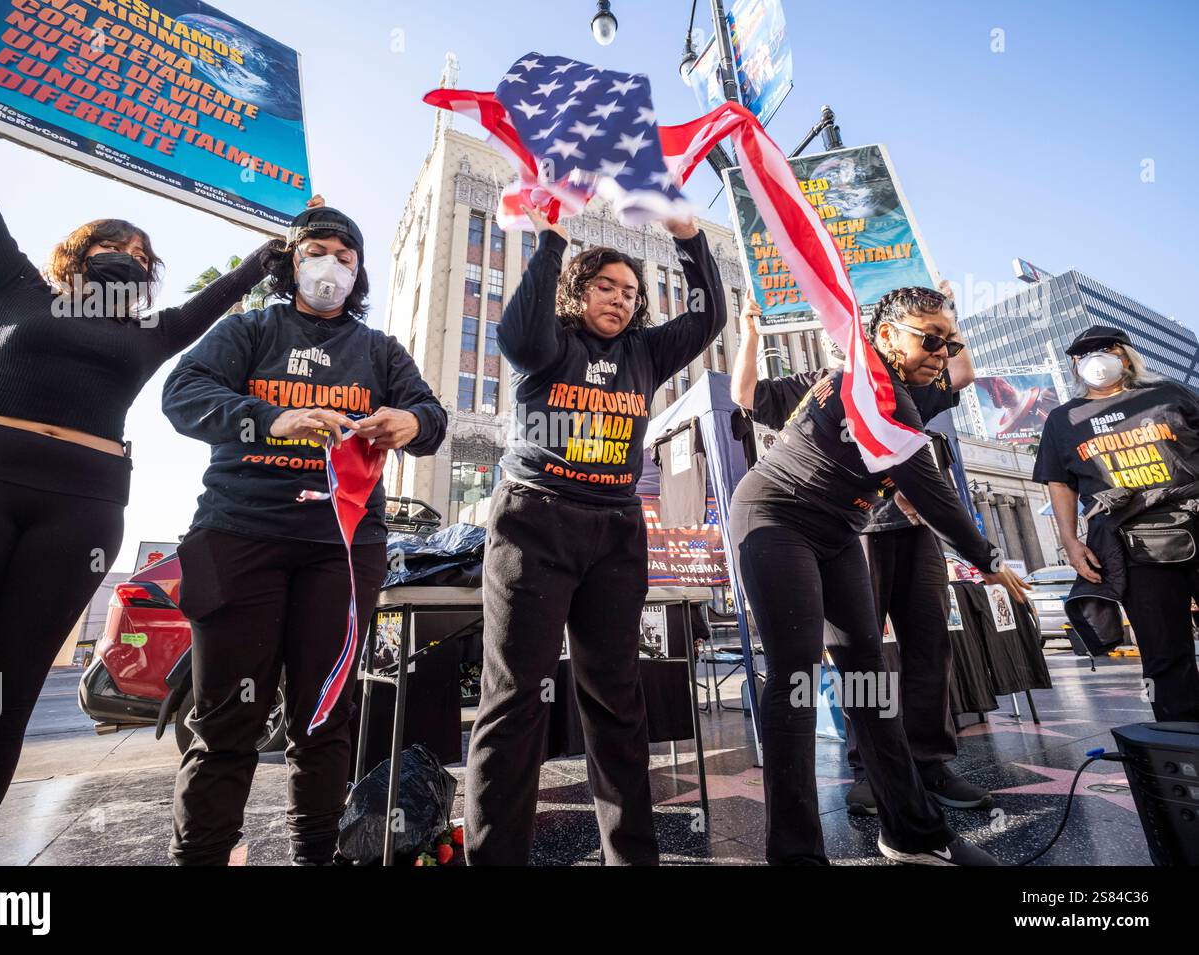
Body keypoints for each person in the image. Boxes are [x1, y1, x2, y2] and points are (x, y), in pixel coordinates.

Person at [0, 13, 280, 866]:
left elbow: (240, 281)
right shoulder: (17, 291)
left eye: (139, 250)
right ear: (76, 258)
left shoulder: (153, 333)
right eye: (108, 241)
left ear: (149, 277)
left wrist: (287, 233)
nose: (125, 252)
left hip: (81, 511)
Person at [162, 204, 447, 865]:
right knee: (227, 721)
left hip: (341, 552)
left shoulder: (379, 350)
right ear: (291, 263)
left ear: (360, 271)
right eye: (316, 250)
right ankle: (201, 853)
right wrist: (272, 417)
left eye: (346, 256)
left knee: (324, 717)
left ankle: (314, 853)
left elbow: (431, 416)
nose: (331, 265)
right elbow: (182, 393)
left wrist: (409, 422)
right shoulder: (251, 331)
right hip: (239, 536)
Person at [728, 288, 1030, 865]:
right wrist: (989, 560)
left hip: (840, 531)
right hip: (775, 518)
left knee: (867, 676)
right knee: (795, 676)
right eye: (931, 337)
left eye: (951, 340)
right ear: (887, 335)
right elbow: (932, 494)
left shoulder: (899, 390)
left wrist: (983, 557)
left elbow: (932, 475)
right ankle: (795, 854)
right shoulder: (870, 389)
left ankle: (912, 832)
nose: (943, 351)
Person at [464, 205, 726, 865]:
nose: (619, 298)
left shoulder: (645, 350)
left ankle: (631, 856)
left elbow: (708, 318)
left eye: (631, 292)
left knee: (617, 700)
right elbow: (515, 336)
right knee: (514, 697)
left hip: (615, 532)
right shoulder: (551, 341)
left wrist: (688, 237)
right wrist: (552, 234)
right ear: (580, 291)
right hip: (536, 522)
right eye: (605, 285)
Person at [1034, 324, 1199, 722]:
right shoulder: (1063, 419)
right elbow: (1059, 483)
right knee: (1163, 653)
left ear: (1125, 355)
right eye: (1082, 353)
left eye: (1105, 348)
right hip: (1130, 547)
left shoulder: (1169, 394)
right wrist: (1071, 543)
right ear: (1074, 365)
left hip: (1194, 520)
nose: (1094, 358)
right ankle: (1182, 741)